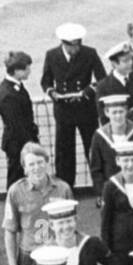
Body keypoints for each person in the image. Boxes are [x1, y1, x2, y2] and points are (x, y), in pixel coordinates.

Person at [40, 23, 105, 188]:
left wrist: (88, 91)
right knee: (64, 153)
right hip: (64, 110)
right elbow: (45, 81)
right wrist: (53, 94)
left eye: (78, 44)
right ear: (64, 43)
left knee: (92, 149)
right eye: (73, 45)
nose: (76, 49)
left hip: (86, 109)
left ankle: (100, 189)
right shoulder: (52, 55)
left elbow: (102, 78)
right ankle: (65, 189)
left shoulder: (90, 53)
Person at [3, 143, 73, 265]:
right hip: (29, 257)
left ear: (47, 162)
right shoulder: (15, 191)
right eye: (31, 164)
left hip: (57, 253)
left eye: (40, 162)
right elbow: (10, 232)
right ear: (25, 168)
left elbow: (72, 228)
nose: (37, 168)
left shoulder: (63, 189)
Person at [88, 95, 133, 199]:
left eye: (121, 112)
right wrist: (101, 193)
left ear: (126, 111)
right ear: (107, 113)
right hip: (112, 190)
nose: (118, 116)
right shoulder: (99, 136)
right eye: (114, 112)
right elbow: (96, 169)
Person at [0, 52, 40, 187]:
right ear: (16, 71)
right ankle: (13, 205)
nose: (29, 72)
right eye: (26, 69)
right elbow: (16, 125)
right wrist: (30, 144)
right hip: (17, 143)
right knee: (16, 178)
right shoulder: (8, 94)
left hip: (21, 141)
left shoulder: (14, 87)